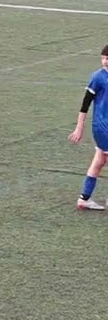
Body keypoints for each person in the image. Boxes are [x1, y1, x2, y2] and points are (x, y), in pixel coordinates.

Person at [68, 44, 108, 210]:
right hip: (103, 126)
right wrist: (79, 127)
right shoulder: (98, 77)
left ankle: (84, 198)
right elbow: (85, 105)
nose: (105, 61)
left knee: (99, 160)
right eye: (104, 58)